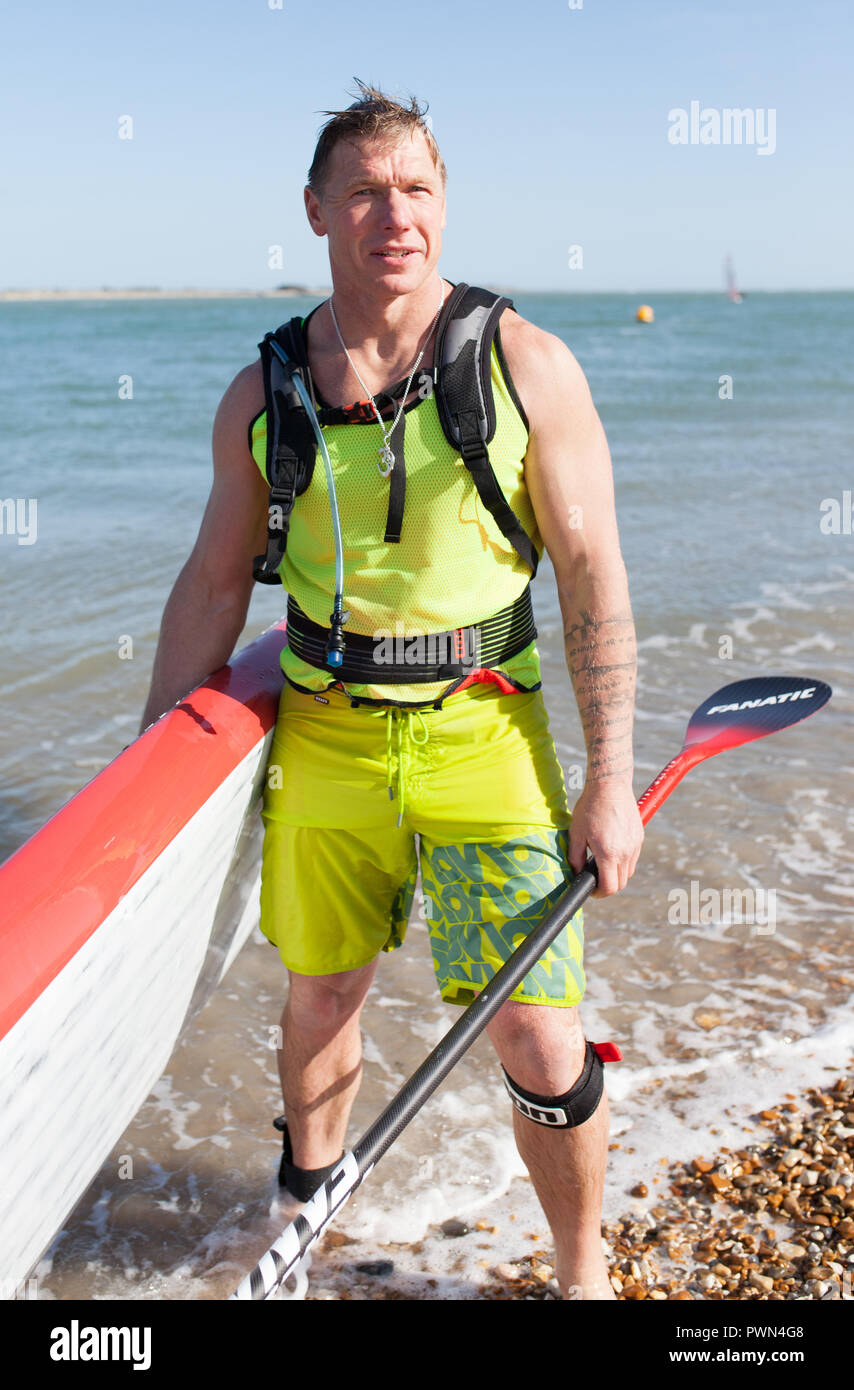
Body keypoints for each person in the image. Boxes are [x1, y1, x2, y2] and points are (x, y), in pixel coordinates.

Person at [140, 81, 643, 1301]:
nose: (393, 213)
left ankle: (582, 1272)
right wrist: (144, 791)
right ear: (315, 210)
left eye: (415, 188)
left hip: (484, 731)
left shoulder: (522, 361)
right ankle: (299, 1237)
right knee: (321, 997)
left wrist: (610, 777)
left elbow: (590, 577)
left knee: (535, 1029)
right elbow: (212, 588)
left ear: (443, 206)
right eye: (363, 189)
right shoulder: (265, 393)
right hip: (327, 739)